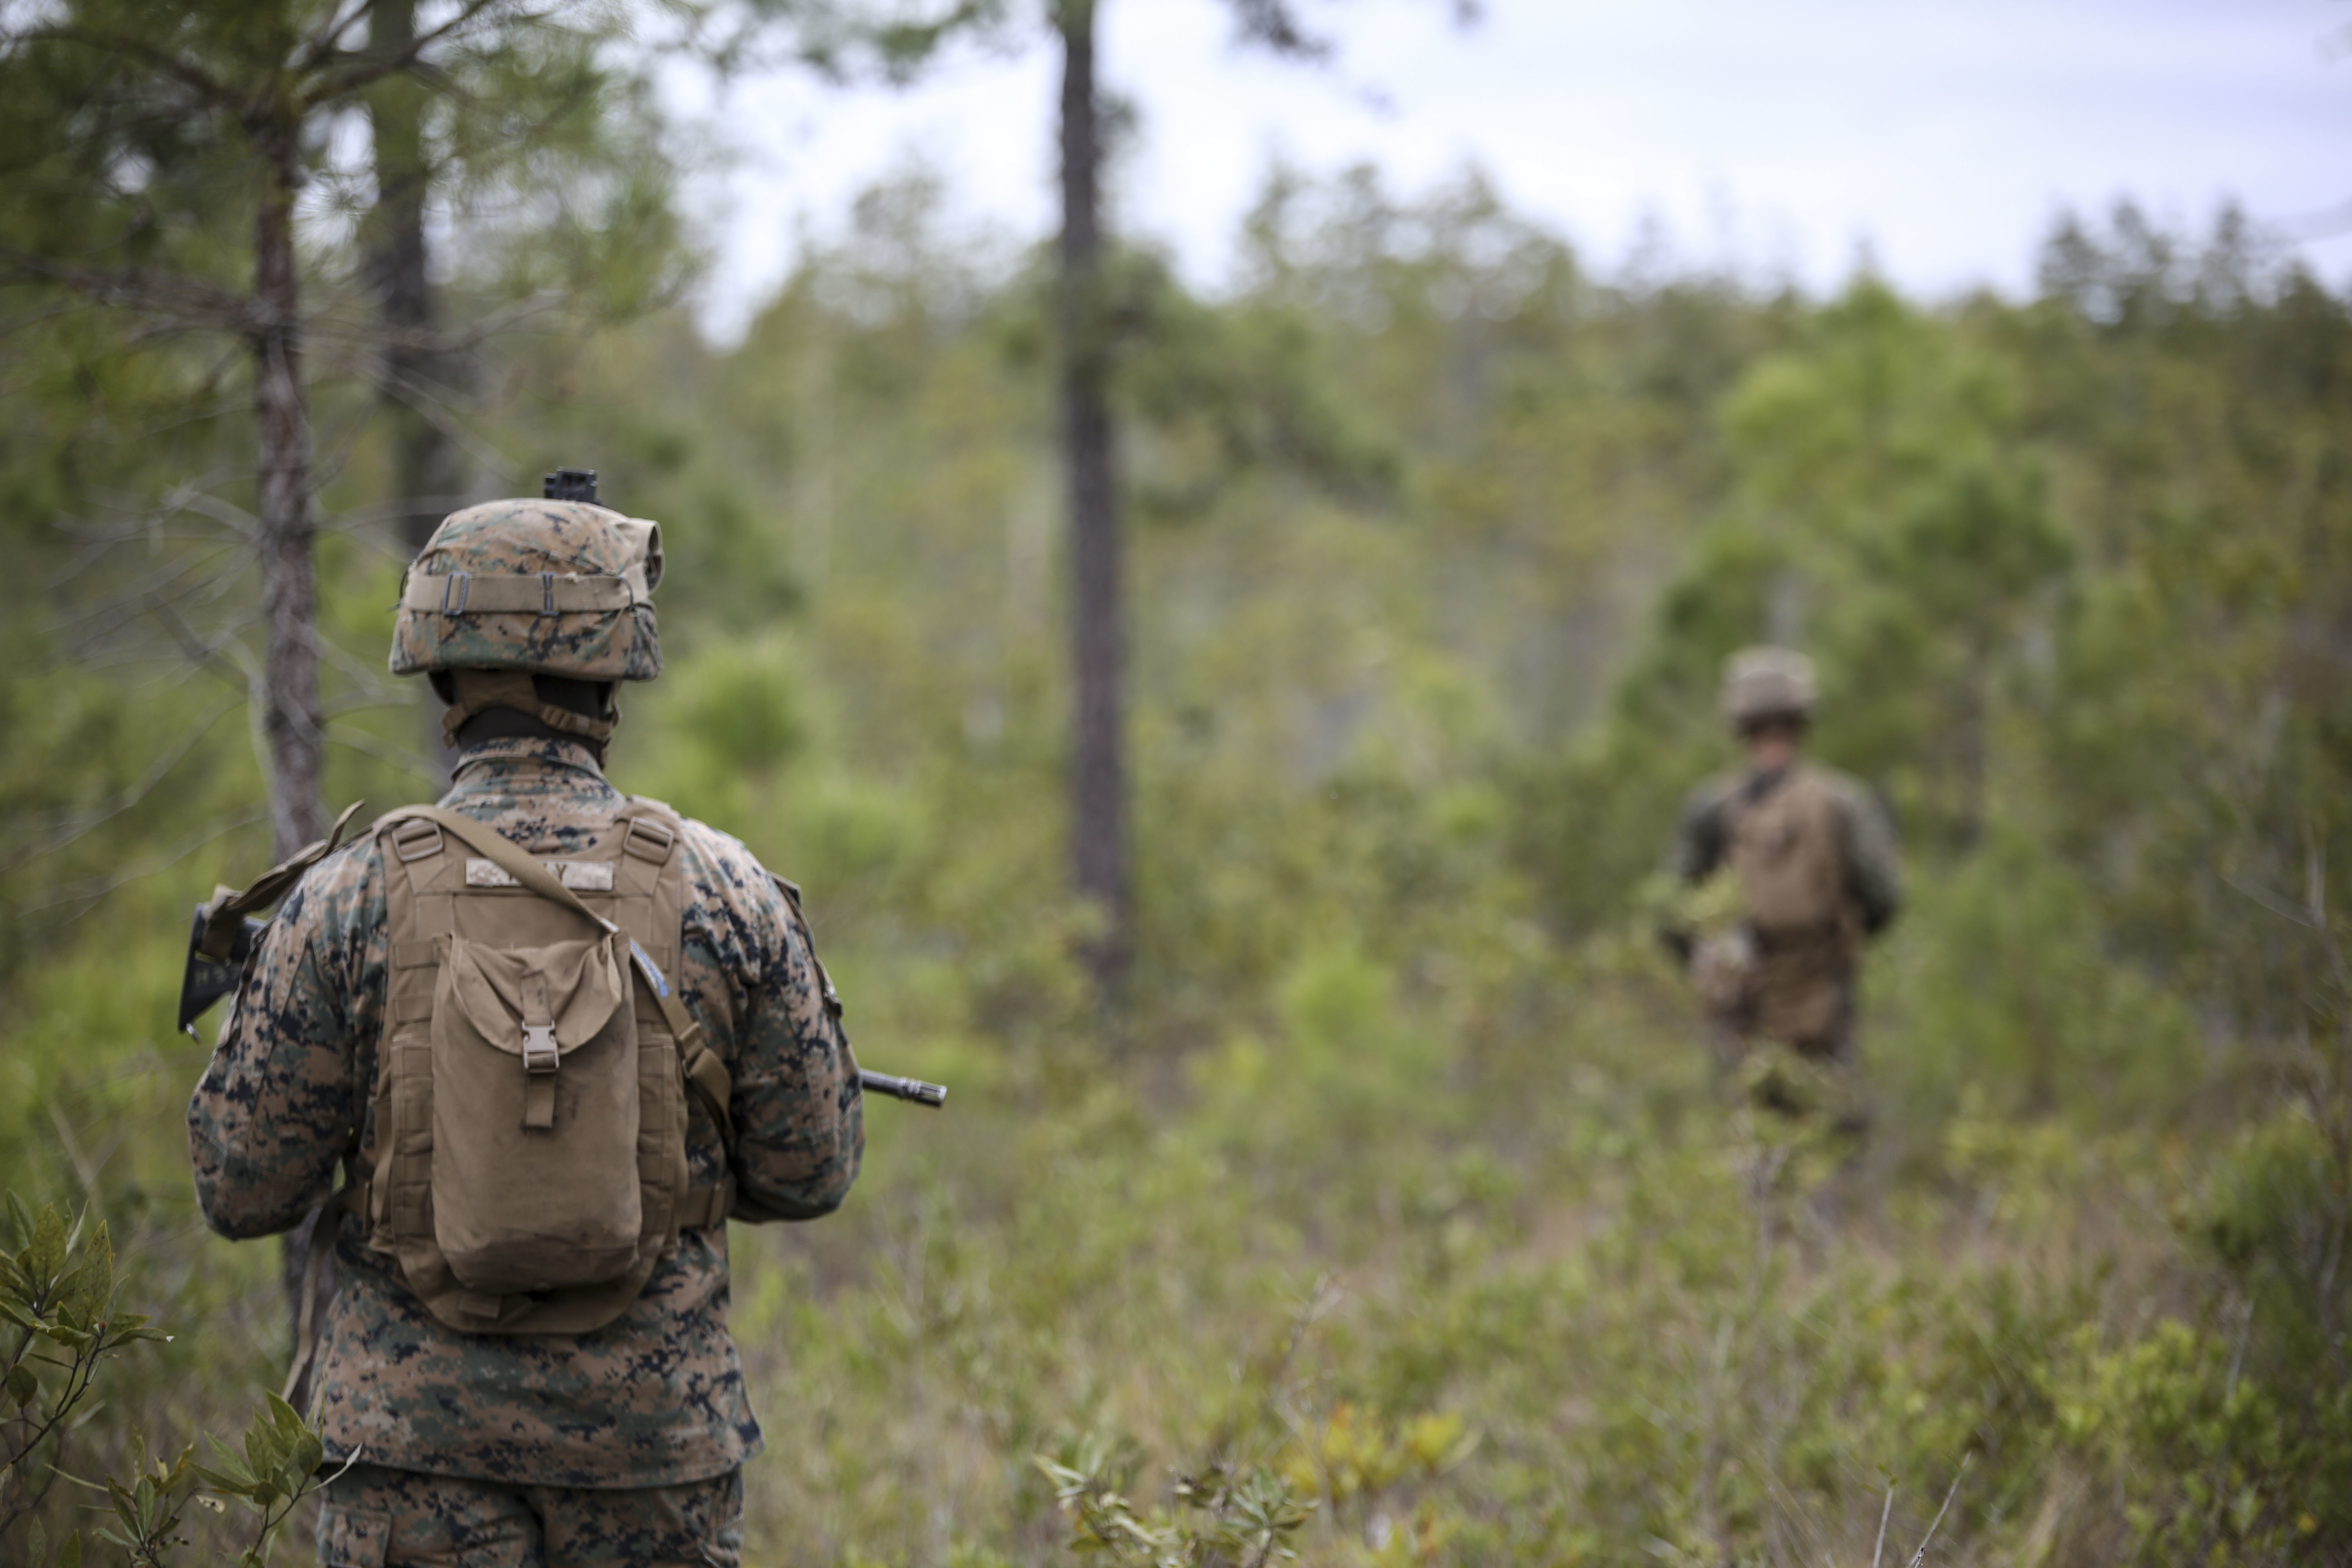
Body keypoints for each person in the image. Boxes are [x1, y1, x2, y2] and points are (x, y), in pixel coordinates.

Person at [188, 486, 864, 1568]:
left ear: (442, 669)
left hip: (412, 1454)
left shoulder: (346, 897)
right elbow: (812, 1171)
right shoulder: (725, 890)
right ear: (612, 672)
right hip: (653, 1452)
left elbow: (241, 1185)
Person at [1662, 646, 1902, 1129]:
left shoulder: (1712, 807)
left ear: (1740, 724)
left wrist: (1711, 965)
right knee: (1829, 1132)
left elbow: (1672, 913)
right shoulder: (1843, 802)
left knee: (1748, 1134)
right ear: (1802, 720)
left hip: (1742, 1006)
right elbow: (1884, 898)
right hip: (1825, 1001)